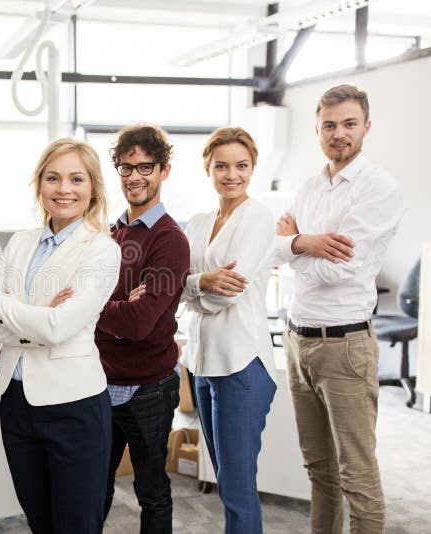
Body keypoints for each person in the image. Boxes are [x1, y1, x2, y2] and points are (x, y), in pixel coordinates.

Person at [0, 138, 121, 534]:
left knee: (76, 525)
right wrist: (38, 316)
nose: (64, 189)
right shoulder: (21, 241)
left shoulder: (102, 250)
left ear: (92, 188)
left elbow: (60, 326)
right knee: (39, 521)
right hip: (16, 402)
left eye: (76, 179)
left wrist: (6, 305)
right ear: (39, 184)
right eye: (53, 178)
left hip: (73, 405)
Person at [275, 84, 403, 534]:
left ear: (366, 127)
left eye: (349, 124)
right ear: (317, 128)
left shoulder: (378, 188)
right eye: (329, 125)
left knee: (357, 476)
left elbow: (339, 272)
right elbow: (276, 249)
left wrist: (294, 246)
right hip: (298, 340)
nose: (339, 133)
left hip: (344, 346)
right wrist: (305, 243)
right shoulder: (310, 187)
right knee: (318, 470)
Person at [181, 127, 277, 533]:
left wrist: (195, 288)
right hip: (203, 362)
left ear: (253, 168)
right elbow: (178, 285)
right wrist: (202, 283)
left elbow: (230, 293)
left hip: (242, 365)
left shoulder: (257, 217)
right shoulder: (200, 222)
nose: (231, 174)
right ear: (208, 168)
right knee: (226, 483)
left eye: (241, 165)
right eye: (221, 165)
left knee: (238, 490)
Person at [95, 124, 190, 533]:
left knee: (151, 491)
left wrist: (91, 307)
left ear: (164, 170)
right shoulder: (109, 232)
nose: (134, 176)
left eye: (145, 167)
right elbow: (108, 309)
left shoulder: (170, 240)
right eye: (125, 167)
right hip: (100, 380)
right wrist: (113, 307)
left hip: (148, 387)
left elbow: (139, 323)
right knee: (93, 487)